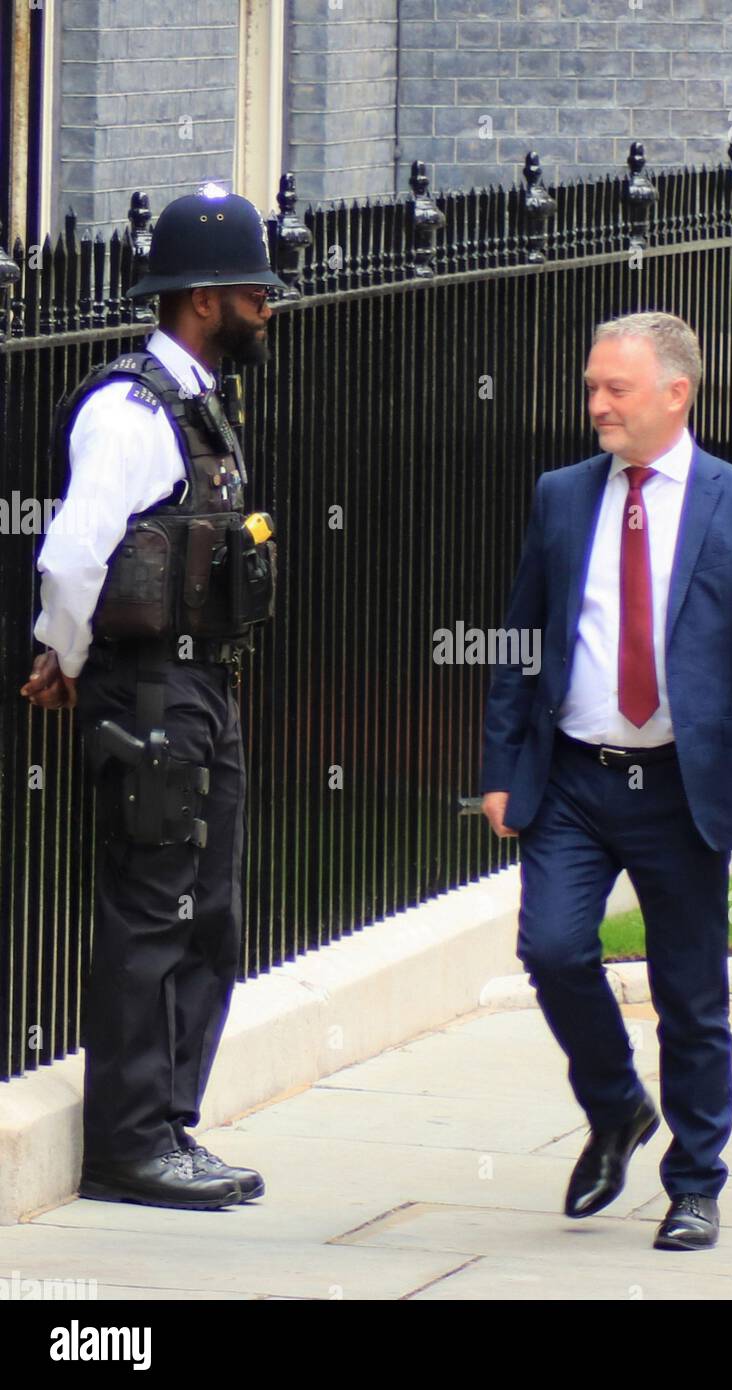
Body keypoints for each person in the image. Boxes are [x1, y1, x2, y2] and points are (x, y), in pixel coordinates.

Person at [480, 311, 732, 1250]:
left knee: (690, 997)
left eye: (612, 389)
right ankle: (617, 1105)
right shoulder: (559, 495)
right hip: (575, 778)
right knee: (550, 950)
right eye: (591, 387)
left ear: (676, 392)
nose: (595, 405)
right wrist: (503, 767)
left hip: (681, 788)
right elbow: (521, 641)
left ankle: (695, 1183)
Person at [20, 186, 284, 1211]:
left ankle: (171, 1122)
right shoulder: (129, 411)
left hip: (200, 687)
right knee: (151, 912)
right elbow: (74, 552)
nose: (268, 310)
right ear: (204, 297)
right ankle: (130, 1142)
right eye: (256, 294)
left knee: (209, 912)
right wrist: (65, 651)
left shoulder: (199, 399)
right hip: (152, 693)